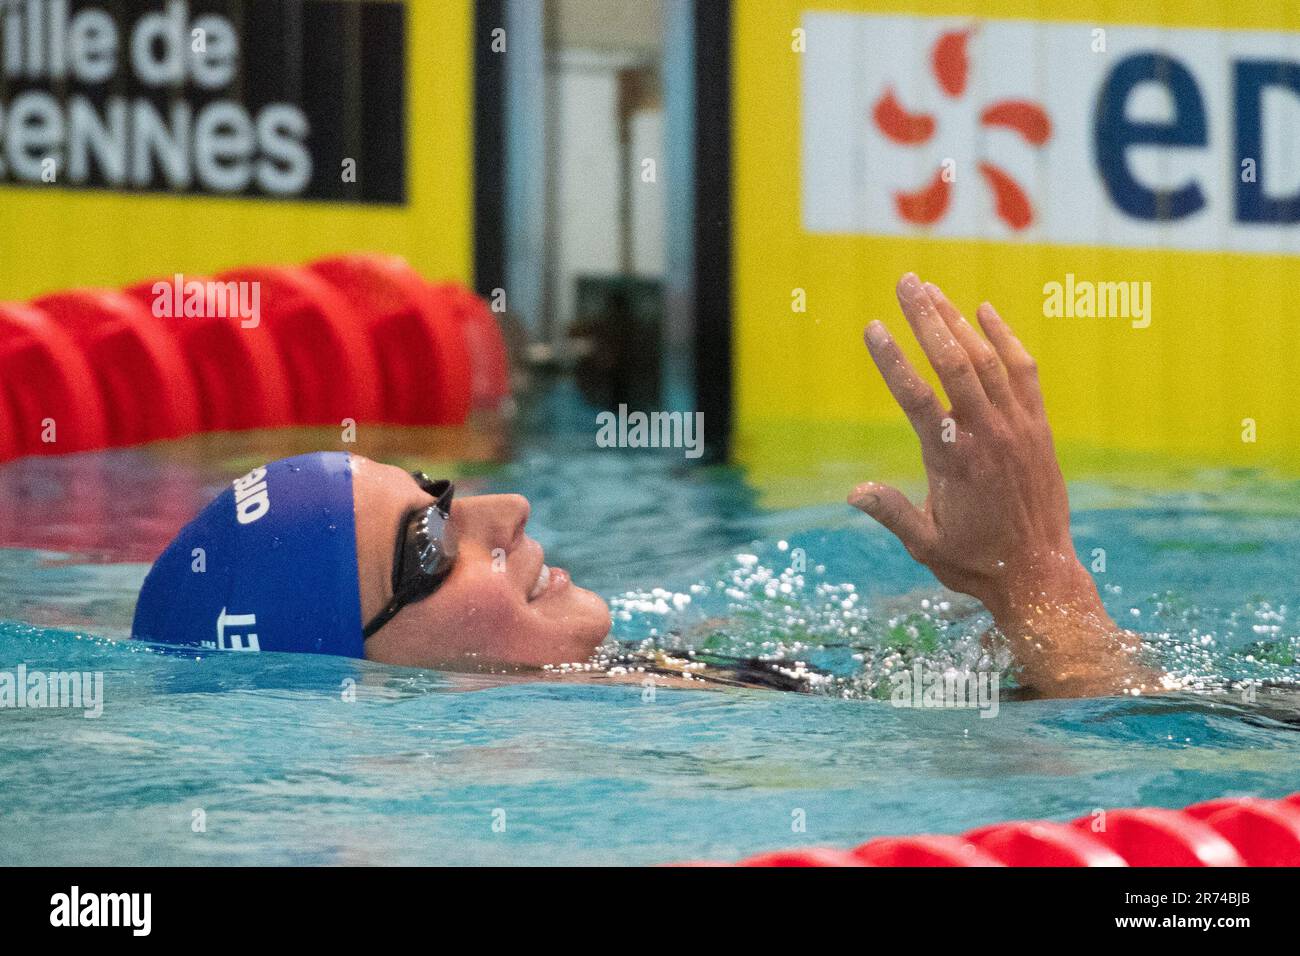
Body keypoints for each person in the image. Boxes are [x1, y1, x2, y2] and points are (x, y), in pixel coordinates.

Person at [132, 275, 1154, 699]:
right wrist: (1038, 579)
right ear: (357, 678)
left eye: (441, 496)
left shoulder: (650, 679)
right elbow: (1101, 770)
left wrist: (995, 609)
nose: (506, 508)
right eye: (429, 548)